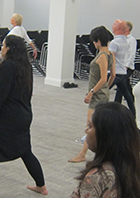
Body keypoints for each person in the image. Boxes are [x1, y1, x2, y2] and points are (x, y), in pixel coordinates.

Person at [0, 35, 48, 198]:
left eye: (3, 46)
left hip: (7, 118)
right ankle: (41, 187)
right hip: (23, 115)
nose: (1, 48)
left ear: (9, 49)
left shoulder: (8, 66)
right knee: (25, 151)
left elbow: (1, 94)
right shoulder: (25, 65)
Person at [70, 102, 140, 198]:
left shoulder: (98, 177)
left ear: (104, 135)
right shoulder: (131, 166)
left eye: (90, 127)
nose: (86, 131)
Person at [68, 26, 115, 163]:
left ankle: (82, 154)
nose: (93, 43)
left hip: (97, 96)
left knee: (90, 126)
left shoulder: (101, 57)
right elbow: (113, 76)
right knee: (99, 125)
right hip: (103, 94)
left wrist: (91, 92)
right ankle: (103, 153)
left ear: (99, 41)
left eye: (94, 41)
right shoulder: (111, 54)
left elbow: (103, 79)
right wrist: (106, 88)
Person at [108, 19, 136, 117]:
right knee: (125, 93)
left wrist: (126, 66)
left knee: (103, 91)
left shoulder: (121, 41)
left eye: (114, 24)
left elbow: (111, 58)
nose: (112, 25)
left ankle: (106, 115)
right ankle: (132, 114)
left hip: (120, 70)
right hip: (122, 71)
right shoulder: (123, 40)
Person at [115, 21, 136, 104]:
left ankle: (116, 103)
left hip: (127, 67)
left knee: (121, 85)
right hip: (120, 65)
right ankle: (132, 100)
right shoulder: (120, 39)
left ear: (127, 29)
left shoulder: (131, 40)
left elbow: (131, 53)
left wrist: (126, 66)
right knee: (125, 85)